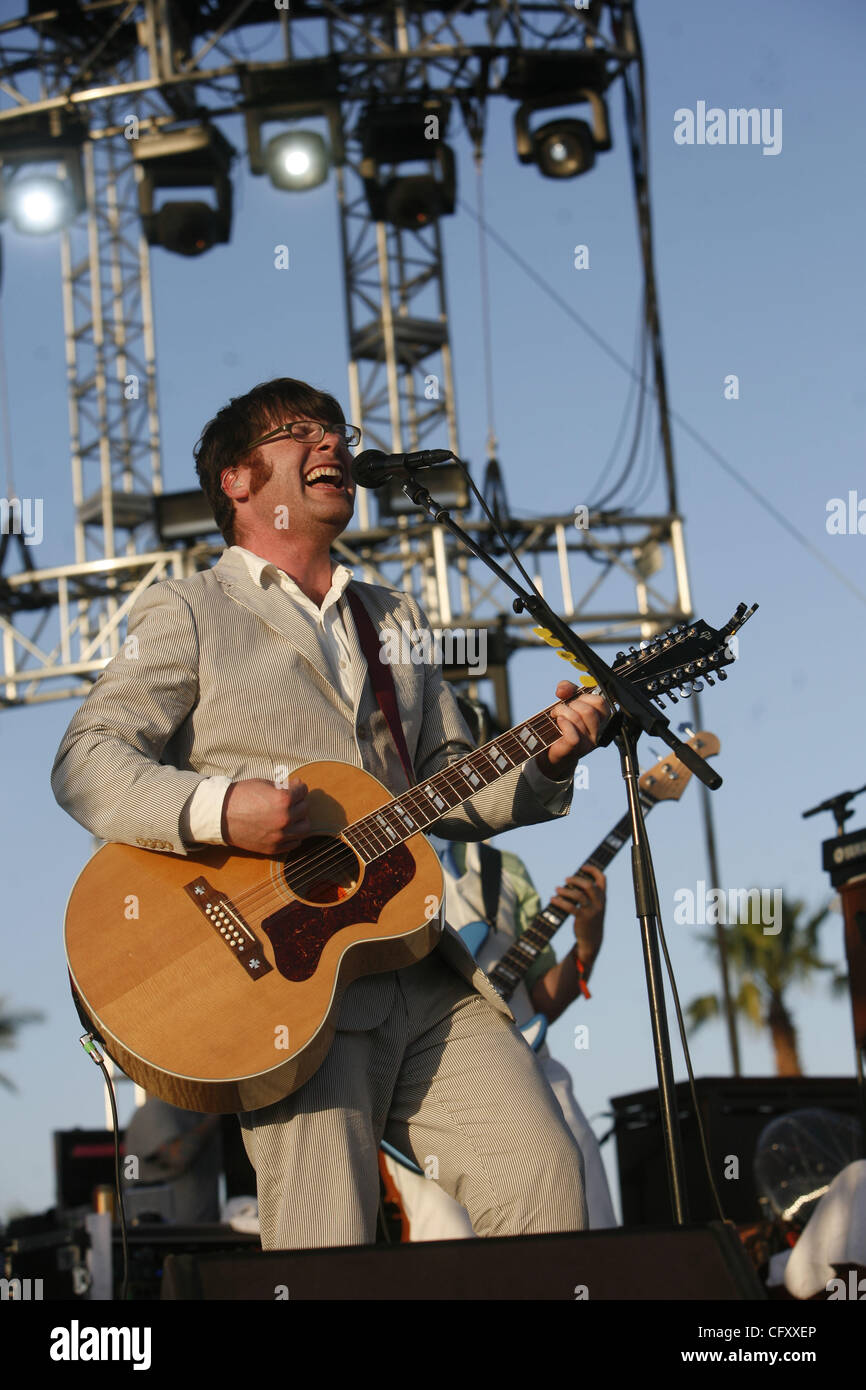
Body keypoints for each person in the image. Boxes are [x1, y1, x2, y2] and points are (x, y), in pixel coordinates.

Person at [51, 376, 610, 1250]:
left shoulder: (397, 616)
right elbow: (86, 761)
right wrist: (220, 810)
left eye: (336, 430)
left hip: (420, 963)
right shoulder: (191, 609)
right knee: (328, 1251)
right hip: (279, 986)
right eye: (297, 432)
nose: (332, 445)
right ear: (238, 481)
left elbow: (450, 781)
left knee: (545, 1178)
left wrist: (543, 758)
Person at [380, 700, 617, 1237]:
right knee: (448, 1250)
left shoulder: (509, 871)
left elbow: (547, 1000)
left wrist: (589, 939)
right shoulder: (380, 866)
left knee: (584, 1208)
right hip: (416, 1079)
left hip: (526, 1063)